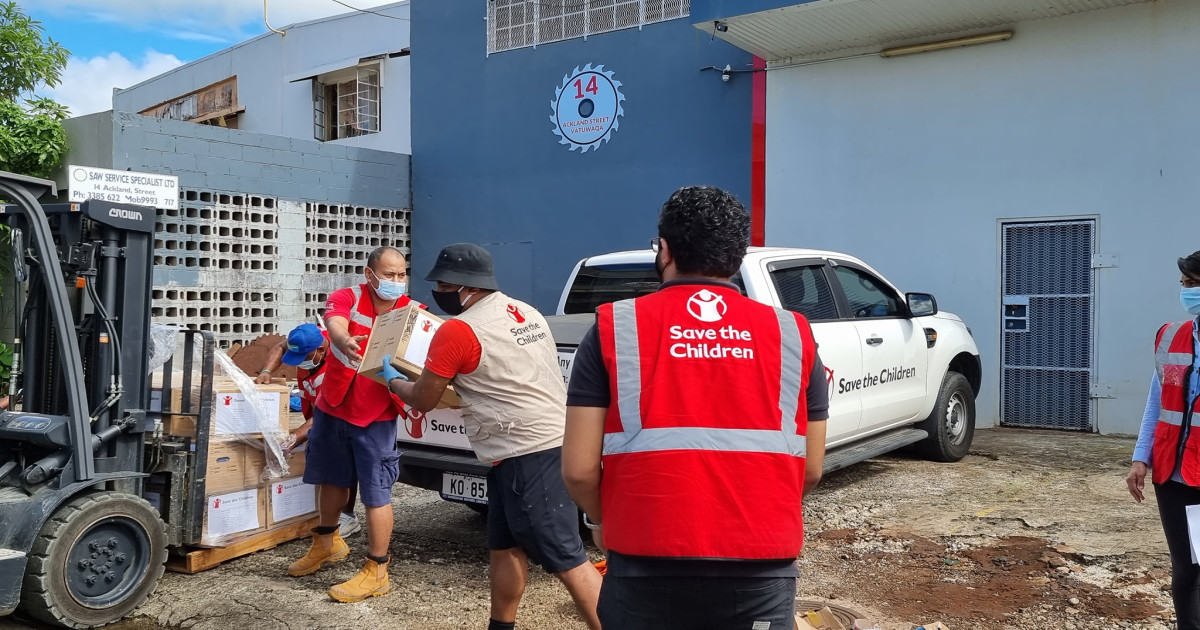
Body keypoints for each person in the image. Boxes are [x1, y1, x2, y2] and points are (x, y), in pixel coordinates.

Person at [561, 186, 830, 630]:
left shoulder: (614, 327)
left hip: (645, 559)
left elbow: (578, 470)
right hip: (760, 564)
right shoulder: (792, 334)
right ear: (737, 257)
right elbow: (811, 467)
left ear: (664, 250)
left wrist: (610, 520)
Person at [385, 243, 602, 630]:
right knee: (504, 547)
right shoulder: (525, 312)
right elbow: (501, 377)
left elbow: (424, 399)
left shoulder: (460, 330)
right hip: (532, 446)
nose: (439, 291)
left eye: (443, 284)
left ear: (463, 285)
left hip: (528, 453)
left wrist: (395, 382)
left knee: (568, 561)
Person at [286, 246, 422, 603]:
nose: (395, 281)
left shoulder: (412, 312)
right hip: (333, 405)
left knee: (376, 492)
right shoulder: (347, 296)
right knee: (330, 478)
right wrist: (342, 339)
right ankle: (326, 543)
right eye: (388, 274)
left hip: (374, 414)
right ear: (369, 274)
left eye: (400, 274)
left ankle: (377, 569)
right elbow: (335, 320)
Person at [1127, 250, 1200, 630]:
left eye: (1193, 284)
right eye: (1184, 284)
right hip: (1174, 475)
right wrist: (1142, 457)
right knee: (1187, 567)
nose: (1186, 292)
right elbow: (1157, 402)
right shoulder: (1173, 337)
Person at [256, 323, 361, 537]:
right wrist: (266, 371)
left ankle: (348, 516)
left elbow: (326, 411)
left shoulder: (339, 364)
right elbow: (280, 346)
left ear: (321, 351)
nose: (300, 362)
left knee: (344, 461)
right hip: (315, 410)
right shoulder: (307, 340)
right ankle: (323, 511)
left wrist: (295, 436)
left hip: (340, 415)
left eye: (304, 356)